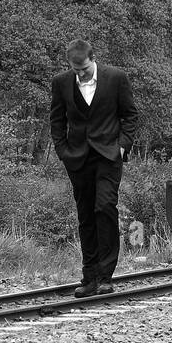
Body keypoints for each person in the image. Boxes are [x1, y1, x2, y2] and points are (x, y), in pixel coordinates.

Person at [50, 40, 139, 298]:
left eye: (85, 69)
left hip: (108, 156)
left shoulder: (116, 78)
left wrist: (122, 147)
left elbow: (130, 115)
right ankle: (89, 277)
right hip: (77, 159)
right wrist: (63, 152)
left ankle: (105, 276)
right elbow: (57, 120)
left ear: (93, 59)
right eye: (76, 70)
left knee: (104, 208)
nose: (80, 74)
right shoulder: (61, 82)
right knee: (86, 215)